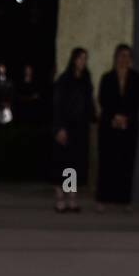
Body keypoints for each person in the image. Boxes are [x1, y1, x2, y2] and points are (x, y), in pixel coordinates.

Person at [96, 44, 139, 210]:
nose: (124, 59)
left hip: (129, 126)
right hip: (109, 125)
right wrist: (114, 117)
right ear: (116, 57)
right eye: (121, 55)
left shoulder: (137, 78)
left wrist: (126, 118)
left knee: (126, 163)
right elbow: (103, 99)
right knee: (107, 162)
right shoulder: (107, 77)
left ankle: (124, 200)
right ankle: (102, 199)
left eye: (127, 56)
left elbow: (138, 101)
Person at [51, 46, 96, 212]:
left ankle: (71, 198)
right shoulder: (64, 80)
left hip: (80, 129)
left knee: (74, 165)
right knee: (63, 164)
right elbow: (57, 106)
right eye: (80, 58)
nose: (83, 62)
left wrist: (94, 117)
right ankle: (60, 198)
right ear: (74, 60)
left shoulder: (86, 79)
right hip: (65, 127)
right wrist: (59, 128)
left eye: (85, 59)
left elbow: (89, 103)